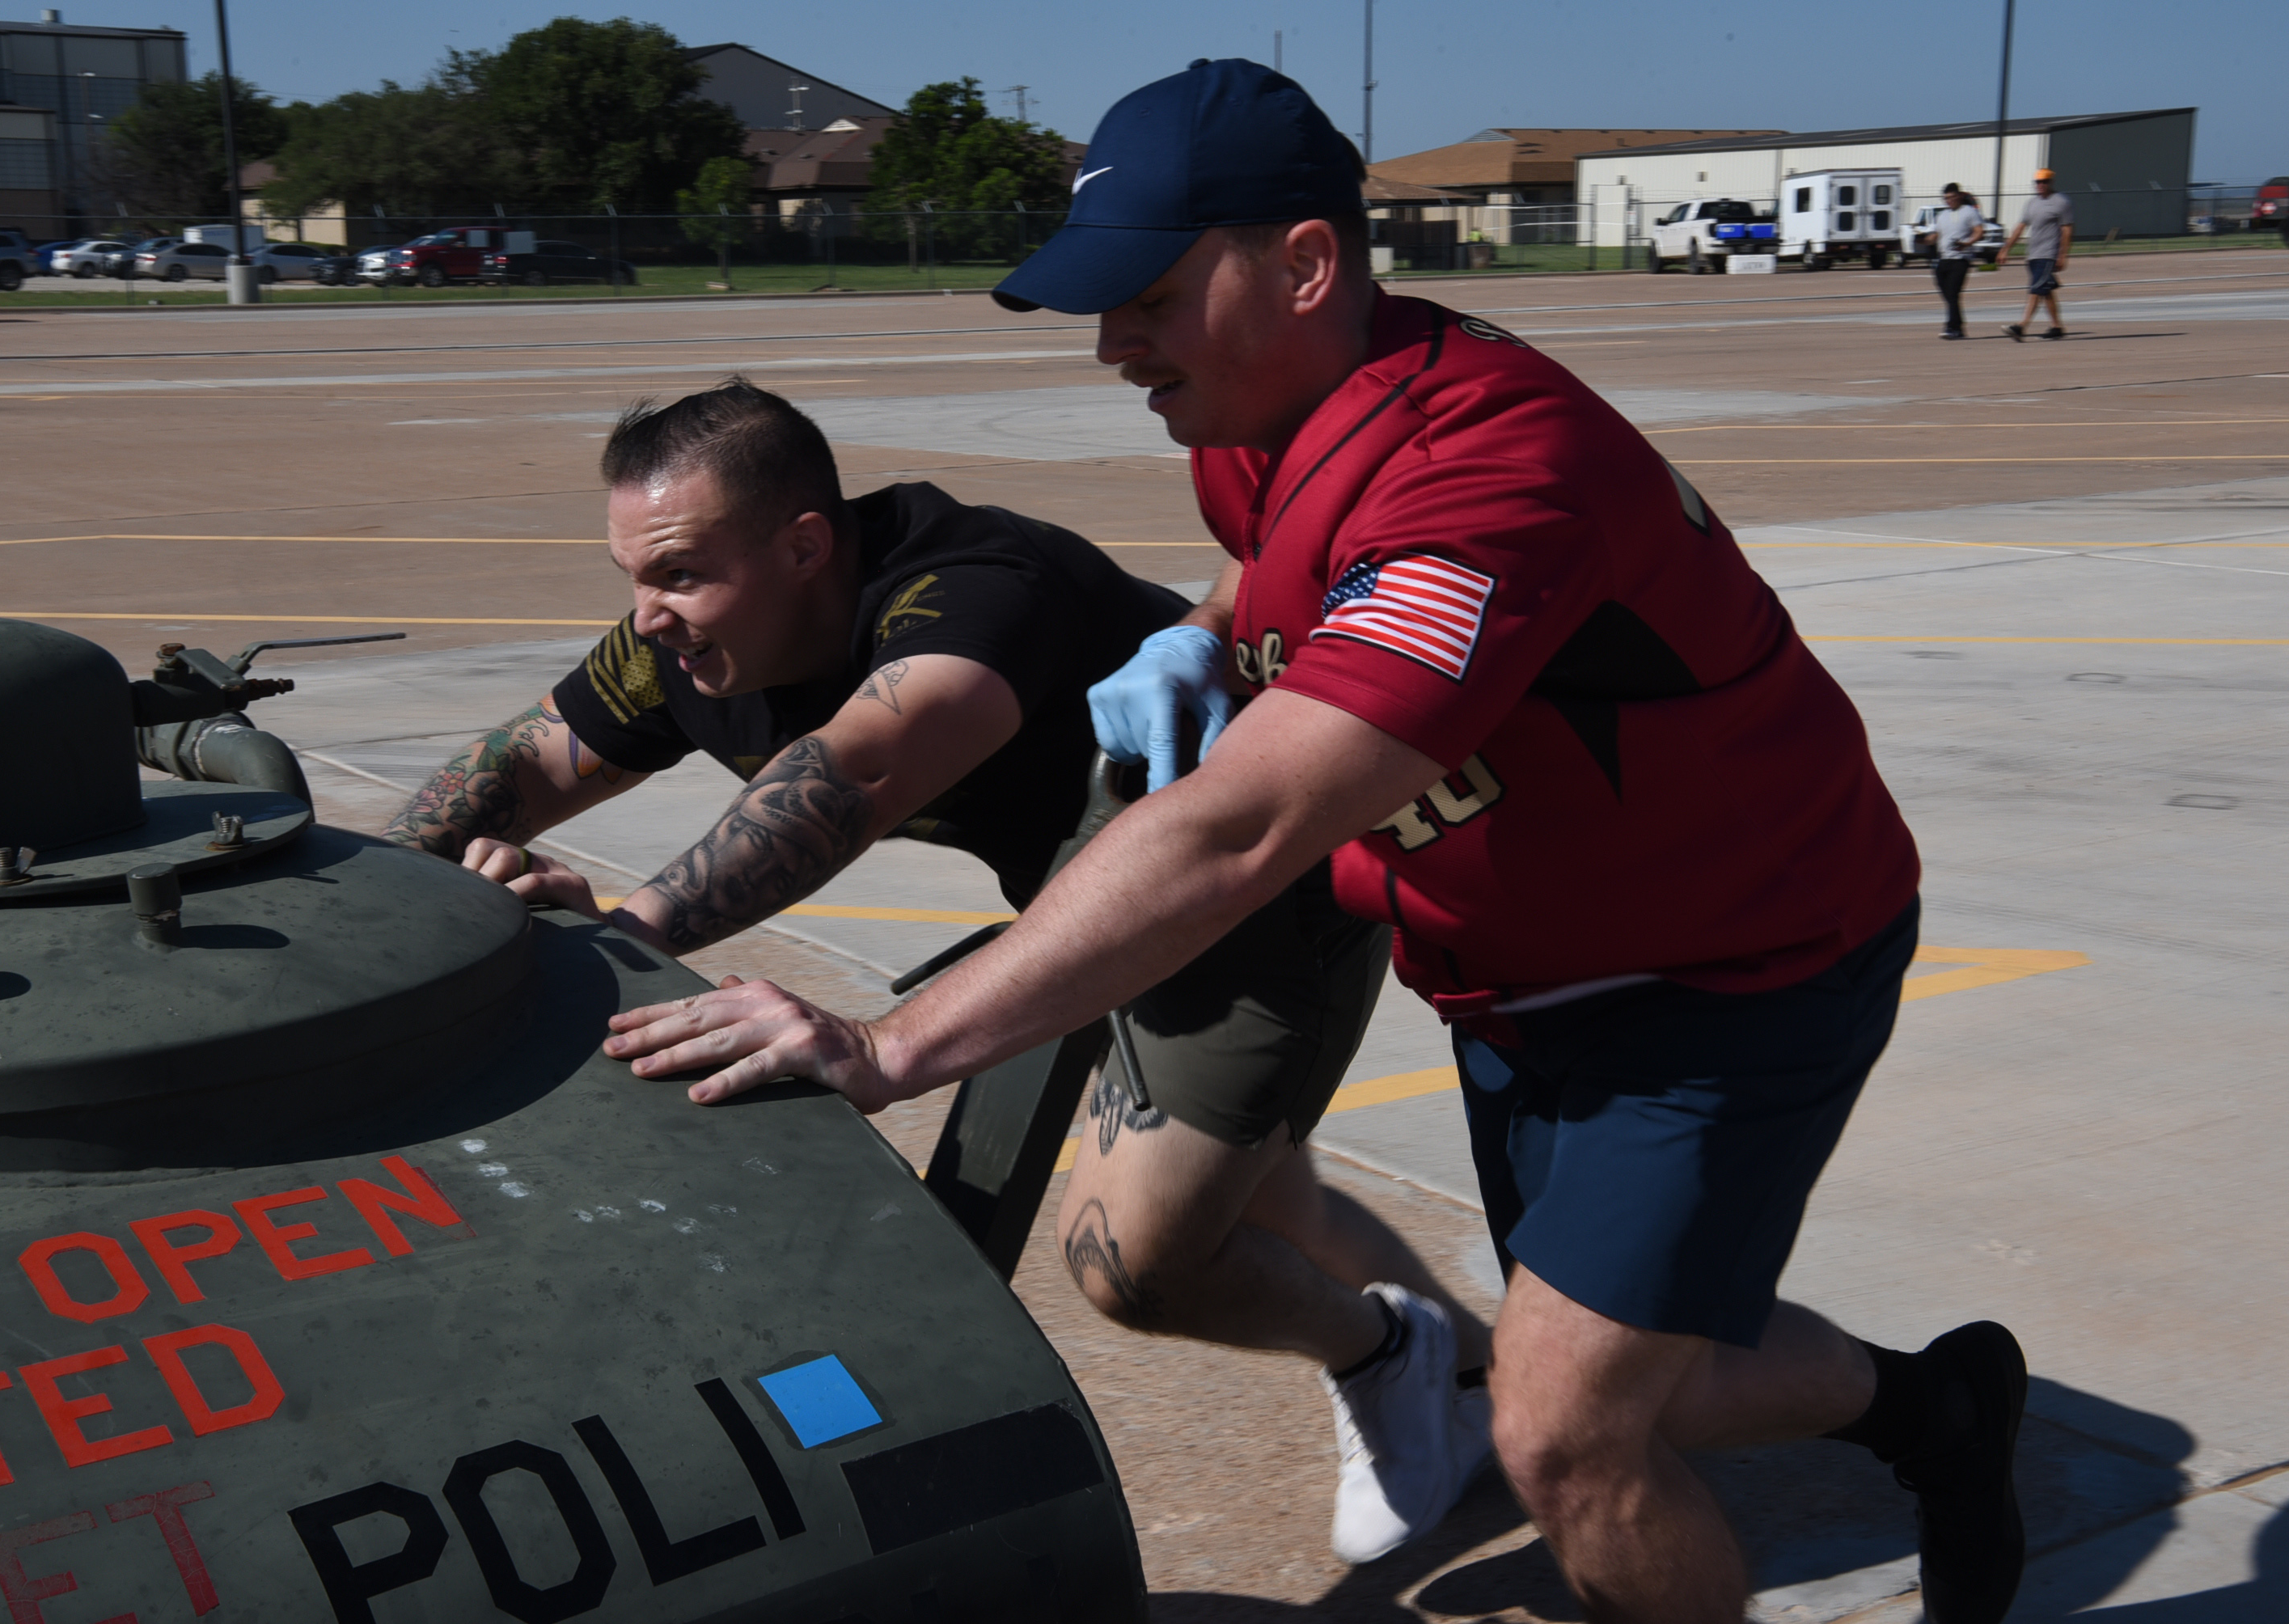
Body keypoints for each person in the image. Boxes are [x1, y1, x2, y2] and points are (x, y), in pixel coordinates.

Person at [605, 61, 2030, 1624]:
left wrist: (888, 1046)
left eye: (1146, 293)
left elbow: (1242, 826)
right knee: (1655, 1377)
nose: (1110, 345)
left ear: (1300, 264)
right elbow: (1279, 564)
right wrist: (1210, 634)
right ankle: (1938, 1412)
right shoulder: (1257, 420)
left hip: (1726, 969)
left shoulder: (1489, 472)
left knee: (1560, 1430)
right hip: (1515, 975)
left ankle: (1901, 1426)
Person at [380, 377, 1496, 1563]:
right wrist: (372, 892)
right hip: (1093, 898)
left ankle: (1390, 1354)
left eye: (678, 574)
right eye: (635, 581)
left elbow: (853, 775)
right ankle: (1476, 1368)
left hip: (1240, 901)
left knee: (1141, 1263)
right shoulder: (693, 641)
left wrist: (615, 941)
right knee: (1268, 1192)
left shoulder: (969, 593)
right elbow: (520, 767)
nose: (649, 615)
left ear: (806, 545)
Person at [2003, 169, 2074, 340]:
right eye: (2038, 182)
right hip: (2033, 254)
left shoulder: (2061, 202)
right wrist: (2006, 248)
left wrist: (2062, 255)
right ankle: (2057, 327)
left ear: (2051, 183)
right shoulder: (2032, 203)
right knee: (2045, 291)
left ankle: (2021, 326)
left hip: (2048, 254)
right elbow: (2020, 227)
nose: (2041, 185)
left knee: (2035, 289)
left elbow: (2067, 230)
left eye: (2044, 182)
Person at [1925, 184, 1986, 339]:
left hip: (1960, 259)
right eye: (1946, 198)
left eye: (1952, 197)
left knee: (1952, 292)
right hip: (1943, 259)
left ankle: (1953, 328)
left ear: (1959, 196)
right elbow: (1935, 236)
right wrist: (1925, 239)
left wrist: (1967, 244)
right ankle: (1958, 325)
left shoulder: (1969, 212)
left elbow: (1980, 232)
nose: (1949, 201)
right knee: (1949, 295)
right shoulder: (1942, 215)